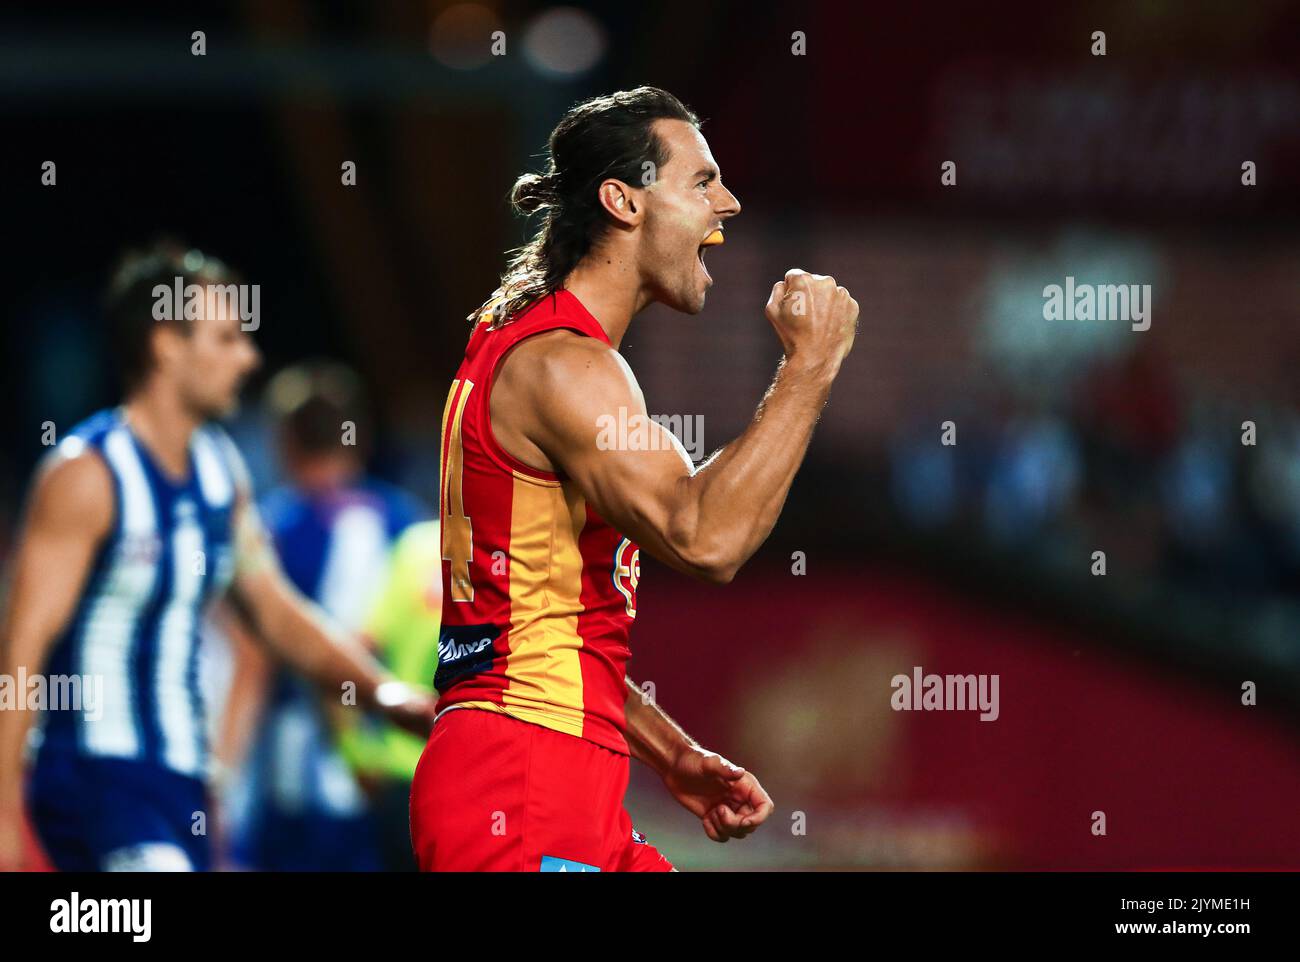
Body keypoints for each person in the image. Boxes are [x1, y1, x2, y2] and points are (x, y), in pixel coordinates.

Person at [410, 87, 858, 871]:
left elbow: (540, 623)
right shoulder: (566, 367)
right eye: (700, 181)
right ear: (623, 201)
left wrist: (667, 750)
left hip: (547, 768)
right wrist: (810, 365)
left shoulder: (537, 346)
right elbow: (707, 537)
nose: (728, 202)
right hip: (521, 785)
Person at [0, 242, 435, 872]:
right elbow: (22, 647)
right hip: (96, 782)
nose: (247, 358)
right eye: (227, 338)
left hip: (183, 787)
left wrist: (388, 696)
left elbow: (276, 613)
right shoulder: (86, 475)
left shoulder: (218, 473)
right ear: (166, 346)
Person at [218, 361, 426, 871]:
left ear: (285, 441)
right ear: (358, 436)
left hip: (298, 775)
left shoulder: (265, 532)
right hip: (399, 765)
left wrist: (220, 778)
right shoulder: (412, 526)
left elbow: (252, 662)